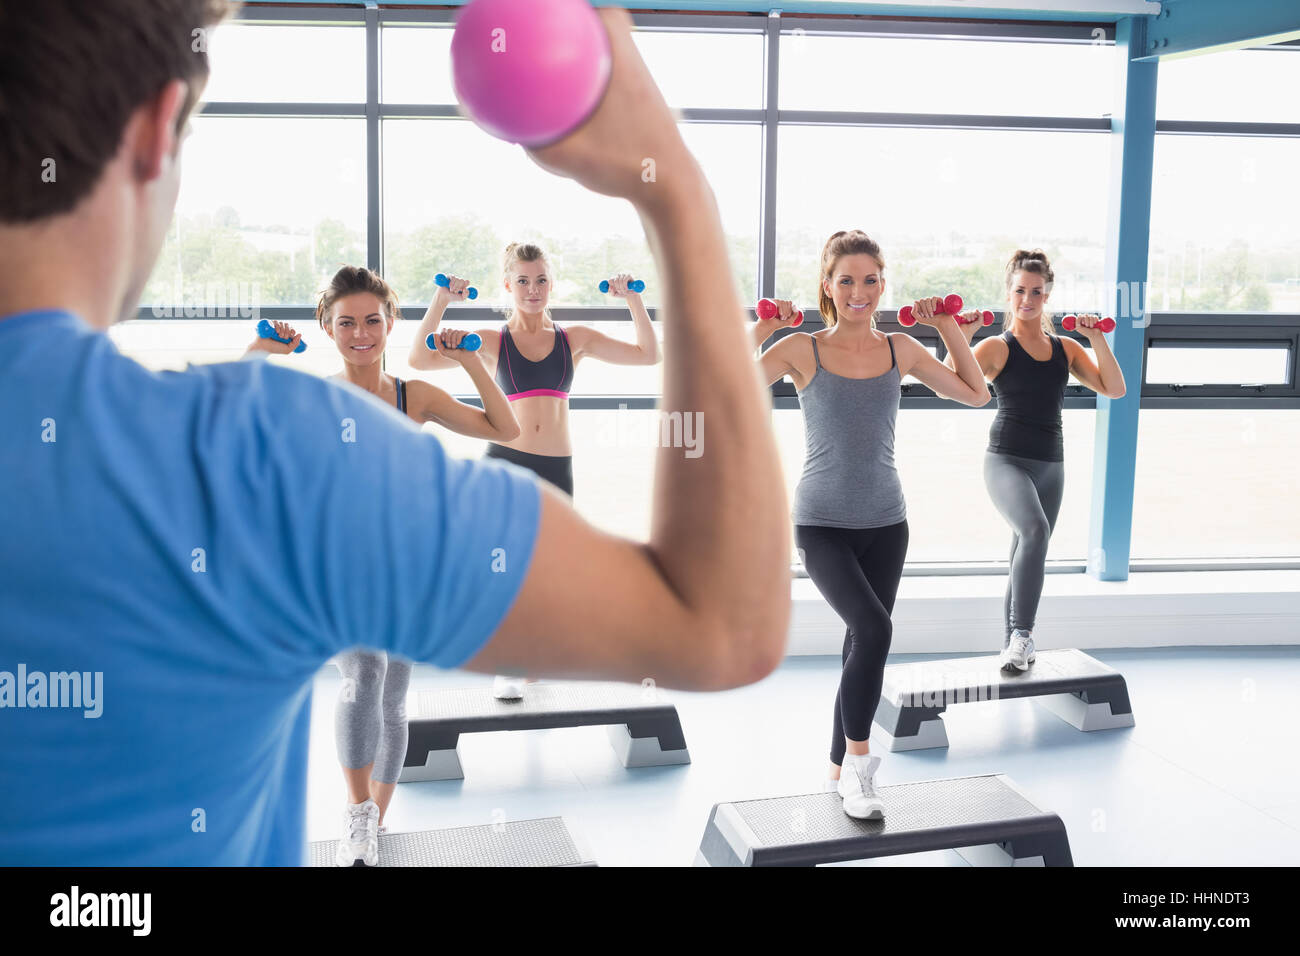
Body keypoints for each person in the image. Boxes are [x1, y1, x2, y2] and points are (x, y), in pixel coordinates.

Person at [0, 1, 790, 865]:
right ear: (157, 133)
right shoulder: (268, 459)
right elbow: (723, 628)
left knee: (385, 678)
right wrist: (673, 185)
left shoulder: (290, 444)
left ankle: (370, 817)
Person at [248, 264, 520, 866]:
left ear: (391, 322)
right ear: (327, 327)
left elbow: (507, 427)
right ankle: (356, 812)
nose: (361, 332)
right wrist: (258, 353)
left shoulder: (410, 395)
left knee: (395, 696)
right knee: (364, 674)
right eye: (347, 322)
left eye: (373, 319)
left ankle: (374, 821)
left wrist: (473, 362)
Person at [750, 230, 989, 820]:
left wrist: (949, 329)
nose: (859, 291)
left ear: (884, 283)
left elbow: (976, 393)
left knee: (861, 640)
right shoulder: (800, 349)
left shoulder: (900, 348)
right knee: (876, 631)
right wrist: (761, 331)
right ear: (827, 286)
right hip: (822, 523)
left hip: (887, 521)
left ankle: (835, 770)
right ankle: (861, 770)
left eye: (871, 279)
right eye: (847, 280)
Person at [409, 256, 659, 699]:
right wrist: (442, 299)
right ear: (508, 285)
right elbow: (420, 360)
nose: (533, 289)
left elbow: (647, 355)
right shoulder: (491, 340)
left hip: (556, 468)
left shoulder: (573, 339)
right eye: (523, 281)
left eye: (541, 279)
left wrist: (634, 299)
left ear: (551, 284)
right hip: (506, 462)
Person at [944, 249, 1125, 671]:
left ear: (1047, 295)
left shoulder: (1065, 348)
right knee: (1034, 530)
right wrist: (962, 336)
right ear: (1009, 293)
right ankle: (1024, 636)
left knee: (1025, 548)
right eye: (1020, 291)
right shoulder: (997, 346)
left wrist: (1096, 336)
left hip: (1051, 465)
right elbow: (949, 384)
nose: (1028, 299)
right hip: (1006, 459)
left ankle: (1012, 647)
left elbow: (1114, 389)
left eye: (1037, 292)